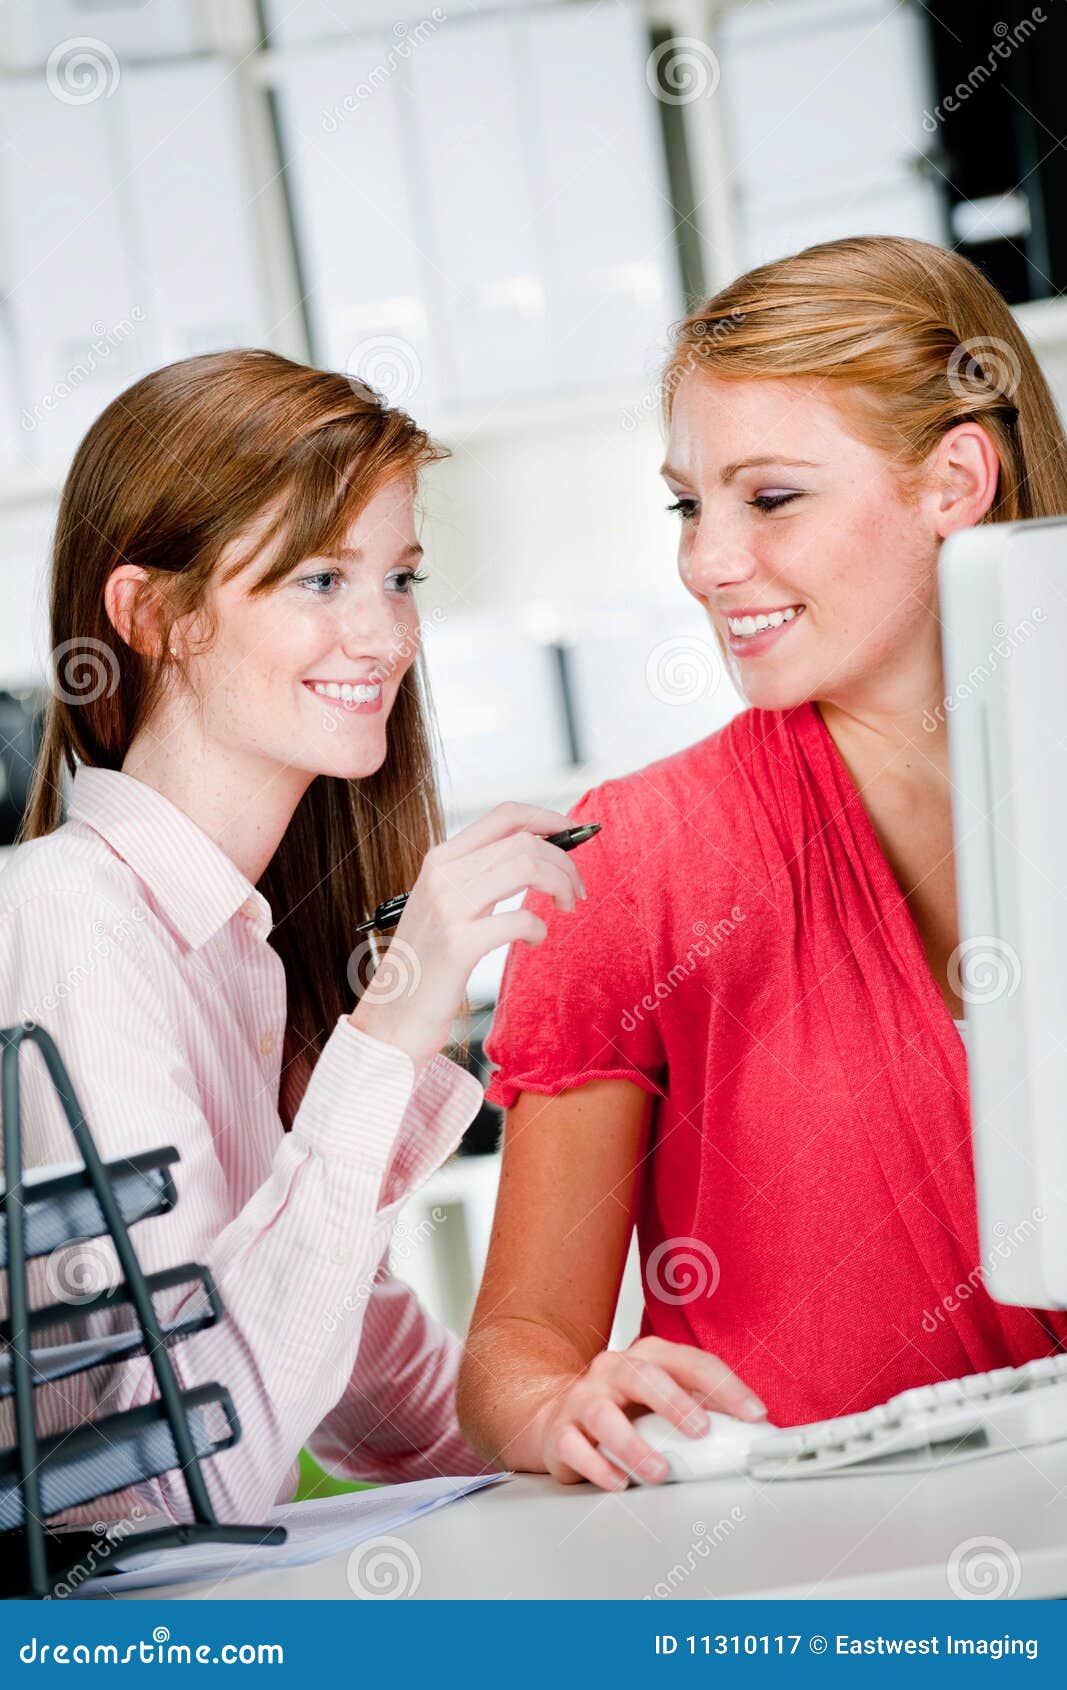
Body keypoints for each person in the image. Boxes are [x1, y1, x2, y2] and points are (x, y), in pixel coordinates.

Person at [457, 234, 1067, 1491]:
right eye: (689, 504)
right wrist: (557, 1407)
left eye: (768, 498)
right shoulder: (633, 860)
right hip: (819, 1584)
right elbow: (515, 1352)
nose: (704, 561)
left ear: (953, 478)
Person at [0, 349, 585, 1525]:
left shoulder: (238, 947)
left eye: (400, 578)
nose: (382, 636)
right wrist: (393, 1025)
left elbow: (363, 1370)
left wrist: (550, 1424)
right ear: (153, 614)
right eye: (319, 579)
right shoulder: (68, 914)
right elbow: (185, 1472)